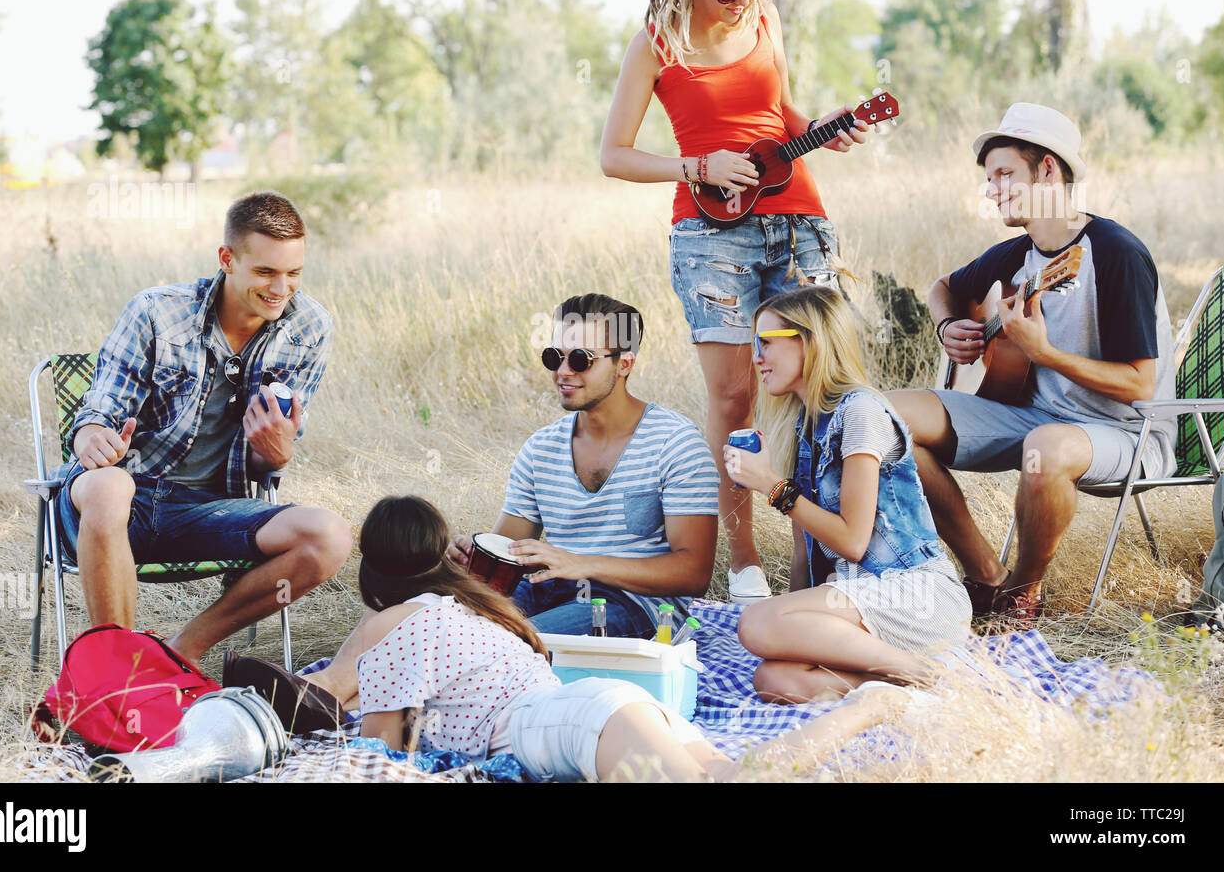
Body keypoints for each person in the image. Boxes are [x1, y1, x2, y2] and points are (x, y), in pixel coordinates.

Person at [601, 0, 871, 603]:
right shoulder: (657, 43)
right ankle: (744, 555)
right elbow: (614, 155)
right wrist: (696, 165)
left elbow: (778, 113)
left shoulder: (766, 21)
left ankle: (824, 555)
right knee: (733, 396)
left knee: (823, 387)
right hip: (712, 236)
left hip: (798, 219)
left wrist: (822, 130)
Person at [302, 495, 907, 781]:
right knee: (735, 778)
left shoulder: (391, 624)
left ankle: (872, 706)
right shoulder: (472, 607)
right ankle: (867, 711)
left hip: (576, 722)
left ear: (373, 579)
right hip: (604, 705)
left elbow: (379, 758)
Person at [886, 103, 1176, 622]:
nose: (992, 188)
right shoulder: (1018, 253)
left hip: (1129, 431)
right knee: (882, 419)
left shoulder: (1114, 253)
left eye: (1004, 174)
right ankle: (983, 574)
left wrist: (1044, 354)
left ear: (1047, 169)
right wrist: (948, 326)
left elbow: (1141, 384)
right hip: (1035, 416)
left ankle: (1021, 594)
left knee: (1045, 447)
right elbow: (943, 289)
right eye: (989, 177)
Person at [56, 190, 353, 667]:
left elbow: (264, 463)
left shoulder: (309, 328)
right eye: (265, 272)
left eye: (293, 273)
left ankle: (178, 654)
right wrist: (92, 436)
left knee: (330, 536)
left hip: (211, 510)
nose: (281, 288)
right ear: (226, 259)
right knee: (110, 486)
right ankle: (113, 671)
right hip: (119, 503)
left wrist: (276, 454)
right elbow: (101, 407)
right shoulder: (157, 311)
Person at [723, 286, 971, 703]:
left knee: (755, 623)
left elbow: (854, 541)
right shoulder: (805, 427)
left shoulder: (861, 412)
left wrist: (770, 485)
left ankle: (923, 672)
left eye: (765, 343)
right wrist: (788, 627)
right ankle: (912, 692)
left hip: (916, 595)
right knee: (773, 679)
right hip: (859, 602)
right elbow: (805, 553)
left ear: (810, 341)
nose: (756, 357)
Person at [448, 292, 720, 639]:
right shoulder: (541, 449)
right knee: (433, 615)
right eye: (554, 357)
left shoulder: (675, 443)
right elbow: (507, 552)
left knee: (510, 646)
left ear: (624, 364)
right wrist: (469, 559)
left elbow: (694, 573)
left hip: (634, 604)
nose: (563, 372)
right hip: (550, 589)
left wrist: (582, 563)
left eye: (580, 360)